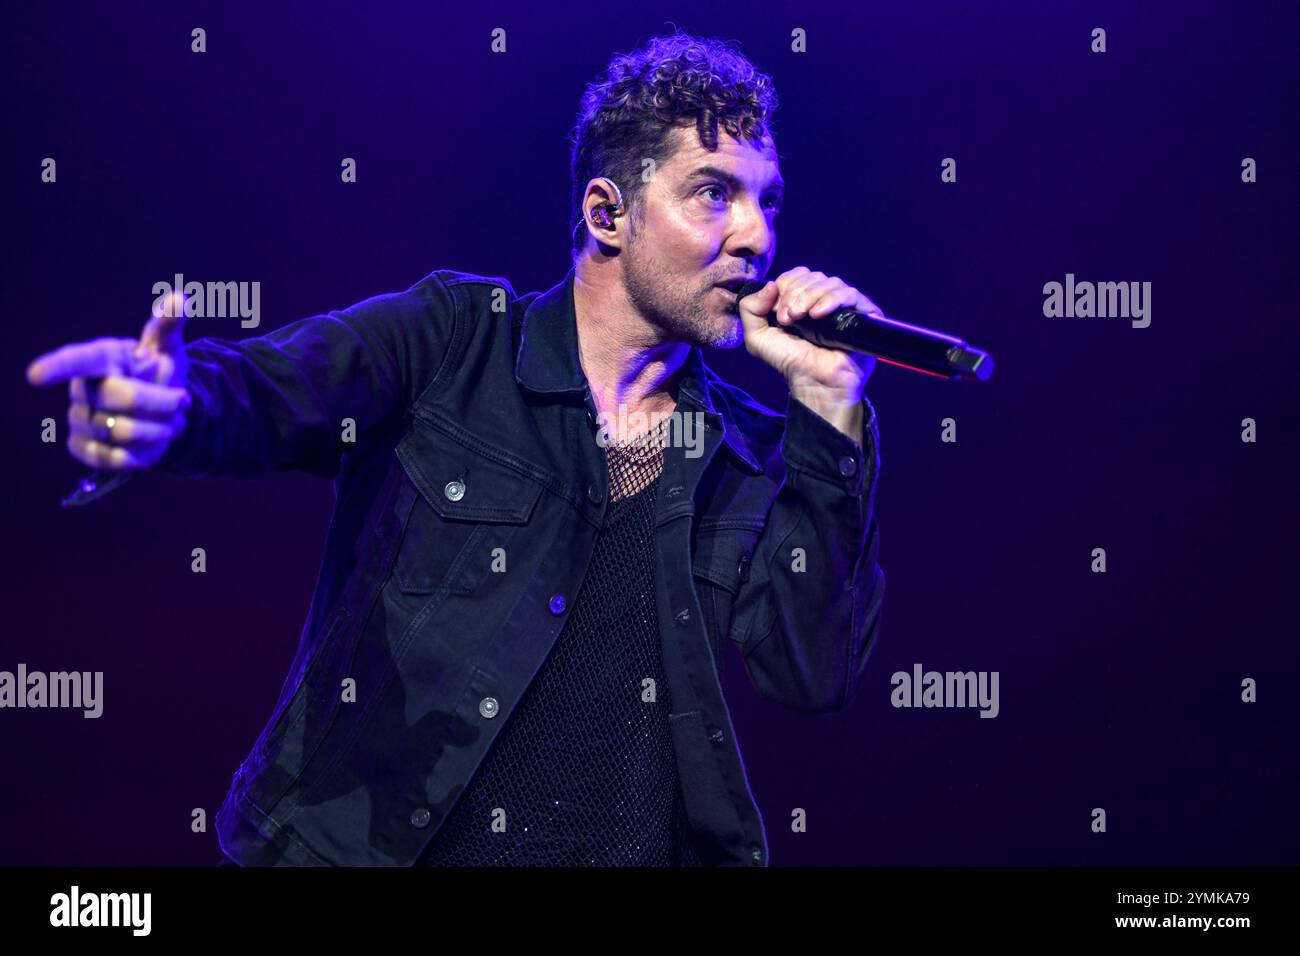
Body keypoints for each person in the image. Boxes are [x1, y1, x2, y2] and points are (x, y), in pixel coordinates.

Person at [26, 31, 886, 867]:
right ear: (607, 212)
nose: (755, 235)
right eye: (713, 193)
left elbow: (812, 674)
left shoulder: (754, 453)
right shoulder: (452, 341)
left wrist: (828, 410)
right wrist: (171, 405)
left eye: (765, 200)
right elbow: (266, 394)